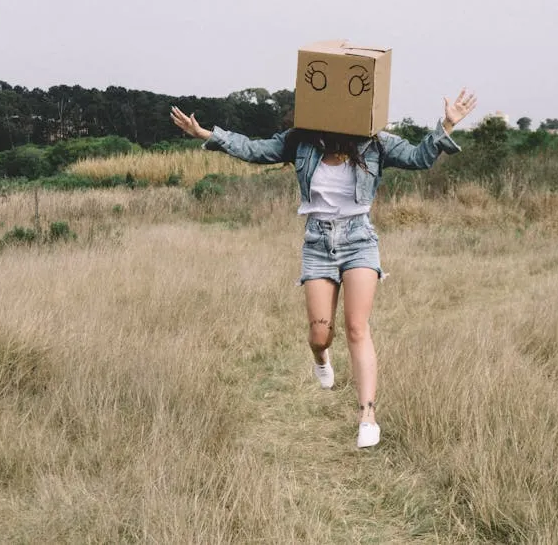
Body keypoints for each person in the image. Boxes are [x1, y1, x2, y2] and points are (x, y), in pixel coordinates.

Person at [170, 89, 477, 448]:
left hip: (360, 239)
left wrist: (447, 125)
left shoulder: (375, 143)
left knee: (357, 327)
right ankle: (321, 356)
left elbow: (419, 157)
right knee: (320, 334)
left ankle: (367, 416)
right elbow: (254, 150)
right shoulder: (300, 142)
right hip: (317, 242)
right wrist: (207, 134)